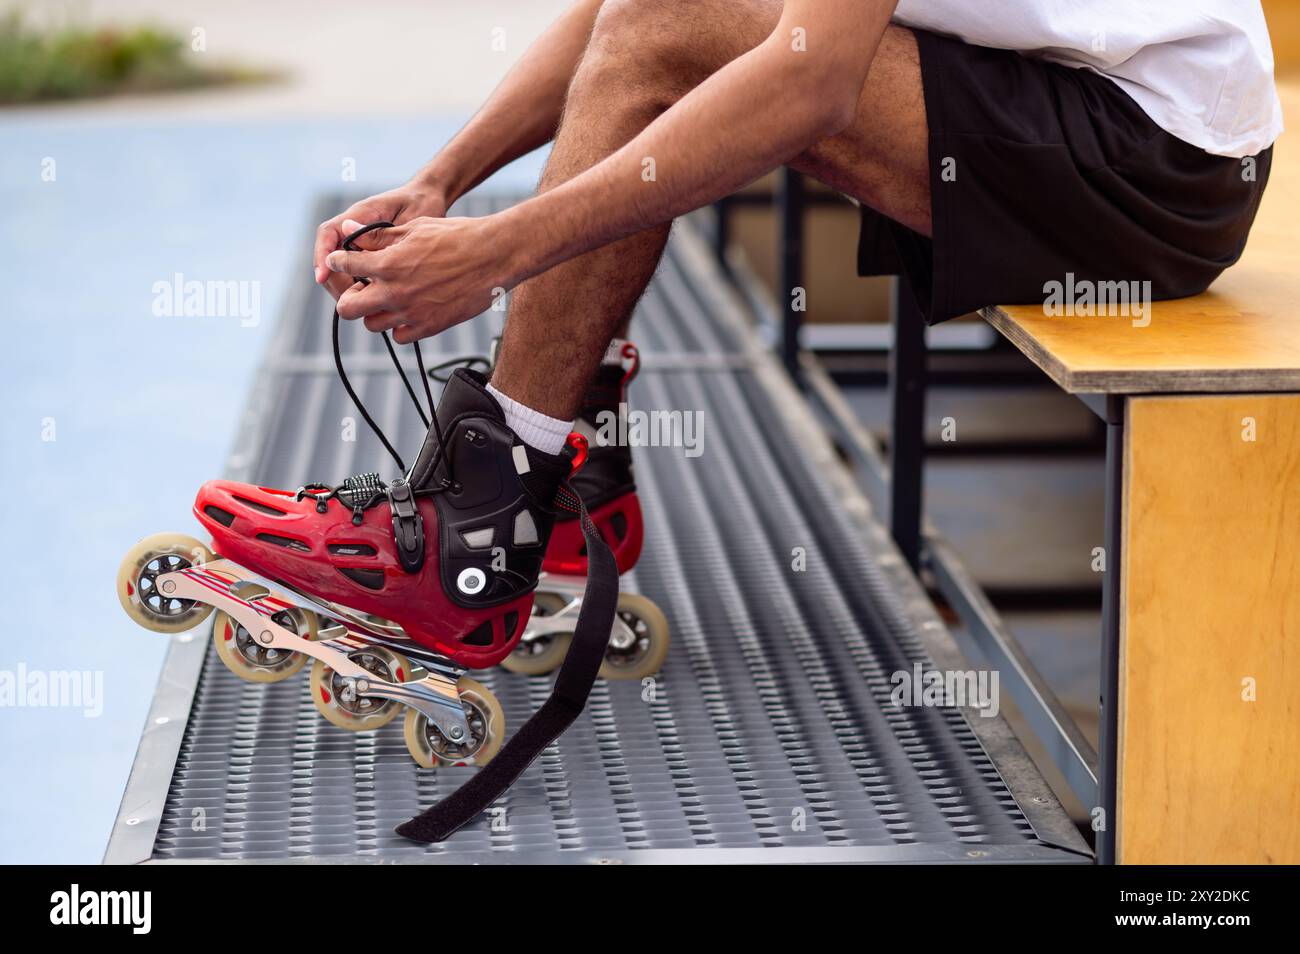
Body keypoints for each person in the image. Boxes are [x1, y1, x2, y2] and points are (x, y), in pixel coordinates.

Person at [313, 0, 1281, 455]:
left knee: (678, 40)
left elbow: (808, 86)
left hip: (1153, 164)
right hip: (1079, 110)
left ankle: (499, 497)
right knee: (662, 26)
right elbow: (617, 13)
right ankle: (545, 470)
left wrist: (498, 248)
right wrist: (443, 182)